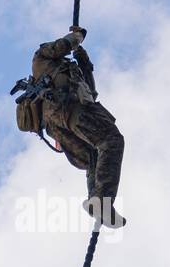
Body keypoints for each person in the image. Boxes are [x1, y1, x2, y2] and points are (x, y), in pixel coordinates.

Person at [30, 24, 126, 228]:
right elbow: (61, 46)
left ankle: (96, 200)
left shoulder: (73, 75)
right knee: (111, 140)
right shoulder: (42, 59)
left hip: (61, 122)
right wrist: (77, 37)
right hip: (66, 110)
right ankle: (102, 201)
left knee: (94, 156)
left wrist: (83, 60)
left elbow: (91, 93)